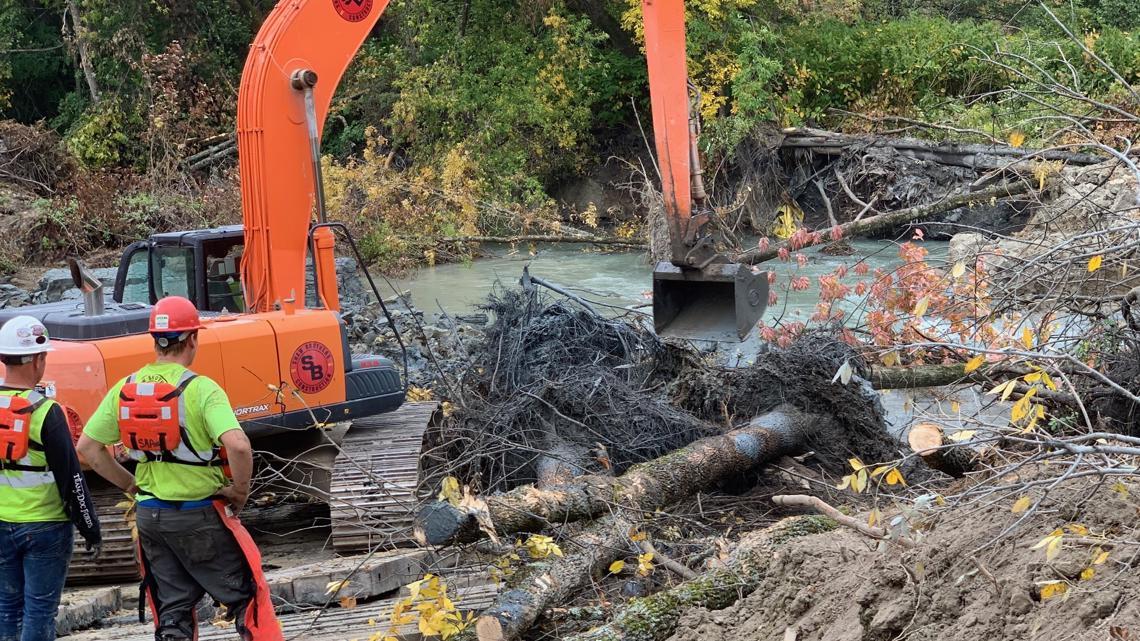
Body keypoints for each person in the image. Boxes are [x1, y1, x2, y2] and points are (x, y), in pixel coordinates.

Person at [76, 297, 281, 641]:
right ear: (192, 339)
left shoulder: (125, 388)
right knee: (248, 599)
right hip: (199, 515)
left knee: (172, 612)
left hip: (151, 517)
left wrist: (132, 486)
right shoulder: (201, 389)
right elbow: (238, 445)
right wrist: (239, 491)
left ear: (155, 340)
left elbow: (87, 449)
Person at [0, 316, 101, 641]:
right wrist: (90, 528)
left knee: (6, 609)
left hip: (1, 524)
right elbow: (72, 480)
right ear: (36, 360)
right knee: (40, 612)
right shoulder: (46, 412)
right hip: (45, 527)